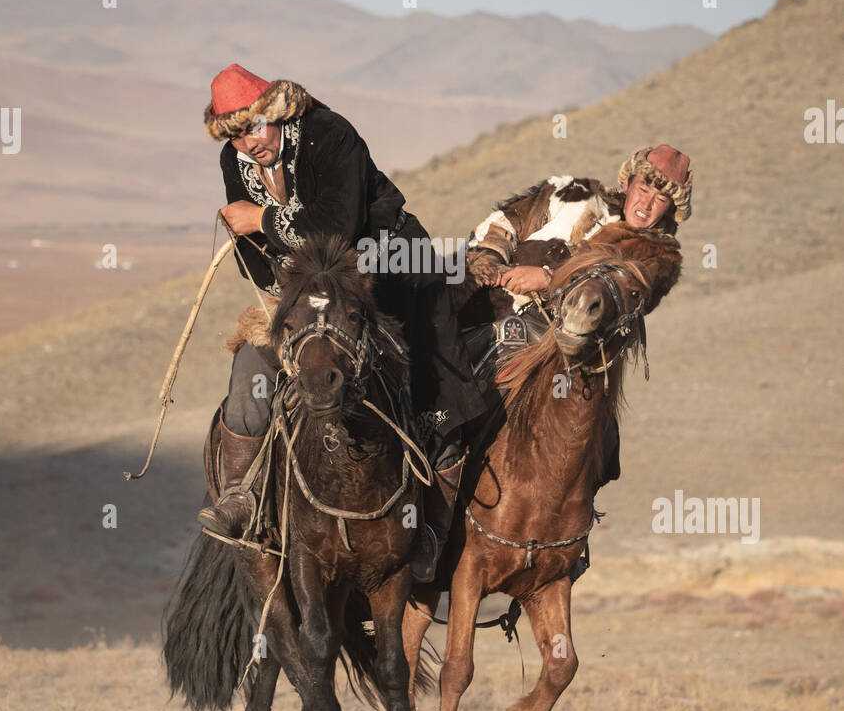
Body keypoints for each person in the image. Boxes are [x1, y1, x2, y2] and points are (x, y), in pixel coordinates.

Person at [196, 63, 486, 581]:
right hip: (305, 289)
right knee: (253, 364)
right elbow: (251, 253)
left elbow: (340, 226)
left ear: (274, 112)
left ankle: (433, 529)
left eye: (252, 128)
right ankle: (241, 495)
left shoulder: (332, 135)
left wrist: (262, 220)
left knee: (434, 390)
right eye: (234, 135)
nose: (246, 144)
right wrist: (283, 295)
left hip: (393, 266)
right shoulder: (233, 160)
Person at [466, 143, 693, 579]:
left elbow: (622, 293)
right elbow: (506, 223)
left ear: (671, 210)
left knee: (598, 448)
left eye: (660, 198)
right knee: (444, 393)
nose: (646, 204)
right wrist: (491, 258)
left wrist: (548, 279)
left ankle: (564, 541)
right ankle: (431, 516)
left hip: (570, 354)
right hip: (492, 309)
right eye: (644, 188)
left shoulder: (658, 256)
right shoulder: (572, 194)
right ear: (628, 182)